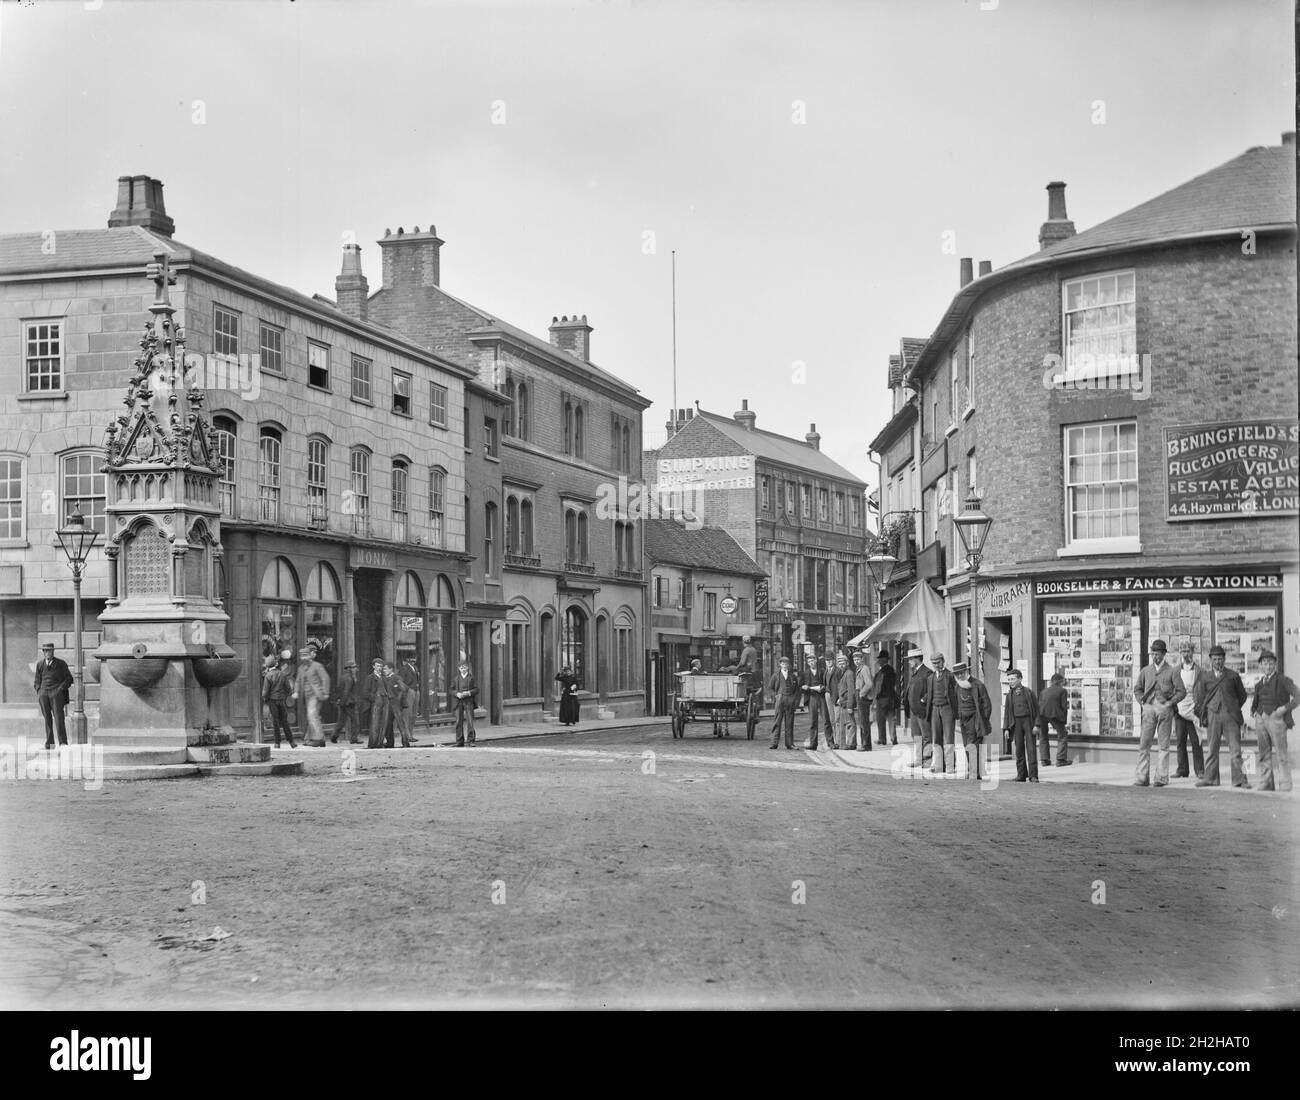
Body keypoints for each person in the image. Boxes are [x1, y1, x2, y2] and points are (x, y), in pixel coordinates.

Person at [1132, 639, 1186, 788]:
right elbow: (1137, 689)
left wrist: (1170, 703)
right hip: (1148, 709)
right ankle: (1142, 778)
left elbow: (1182, 691)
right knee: (1144, 744)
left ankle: (1161, 778)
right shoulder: (1145, 671)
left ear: (1164, 654)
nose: (1155, 656)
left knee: (1163, 745)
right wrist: (1141, 702)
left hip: (1164, 710)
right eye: (1153, 653)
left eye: (1158, 654)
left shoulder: (1172, 671)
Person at [1195, 645, 1248, 788]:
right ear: (1210, 660)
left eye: (1220, 659)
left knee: (1236, 749)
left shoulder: (1233, 676)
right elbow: (1200, 698)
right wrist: (1207, 713)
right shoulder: (1205, 676)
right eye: (1215, 659)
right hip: (1213, 716)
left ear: (1224, 659)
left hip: (1231, 716)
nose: (1218, 662)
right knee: (1212, 749)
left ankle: (1240, 780)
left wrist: (1232, 708)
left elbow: (1242, 696)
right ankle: (1210, 779)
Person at [1248, 649, 1297, 793]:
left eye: (1270, 663)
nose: (1268, 666)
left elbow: (1298, 696)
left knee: (1281, 754)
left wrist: (1284, 708)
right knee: (1264, 753)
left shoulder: (1283, 680)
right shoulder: (1259, 684)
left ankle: (1285, 784)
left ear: (1275, 664)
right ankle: (1266, 782)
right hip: (1261, 720)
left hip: (1277, 720)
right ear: (1260, 666)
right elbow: (1255, 703)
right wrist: (1255, 713)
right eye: (1265, 664)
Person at [952, 660, 992, 780]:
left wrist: (981, 720)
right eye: (957, 674)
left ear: (966, 671)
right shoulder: (957, 686)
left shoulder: (978, 685)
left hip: (975, 720)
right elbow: (956, 702)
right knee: (967, 746)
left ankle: (975, 772)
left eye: (961, 673)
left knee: (974, 745)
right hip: (963, 721)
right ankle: (973, 770)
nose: (959, 676)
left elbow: (987, 705)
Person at [1172, 643, 1205, 779]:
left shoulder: (1199, 671)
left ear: (1193, 652)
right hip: (1180, 710)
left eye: (1188, 651)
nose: (1186, 654)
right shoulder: (1175, 671)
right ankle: (1182, 770)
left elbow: (1203, 690)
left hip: (1194, 711)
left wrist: (1199, 707)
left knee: (1196, 741)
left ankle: (1200, 770)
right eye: (1183, 651)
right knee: (1180, 742)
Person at [33, 642, 74, 749]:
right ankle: (50, 744)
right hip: (44, 694)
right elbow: (37, 681)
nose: (47, 653)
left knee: (59, 718)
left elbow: (69, 679)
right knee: (47, 718)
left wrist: (60, 689)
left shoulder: (61, 663)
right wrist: (39, 691)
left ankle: (63, 742)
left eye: (49, 650)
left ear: (53, 651)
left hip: (56, 694)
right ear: (43, 652)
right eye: (45, 651)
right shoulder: (40, 664)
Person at [1002, 668, 1039, 782]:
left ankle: (1033, 775)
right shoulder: (1009, 695)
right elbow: (1007, 712)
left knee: (1031, 749)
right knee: (1019, 749)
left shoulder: (1029, 692)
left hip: (1028, 722)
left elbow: (1037, 710)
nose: (1011, 681)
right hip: (1016, 723)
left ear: (1020, 679)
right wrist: (1007, 728)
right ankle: (1021, 774)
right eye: (1009, 679)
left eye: (1013, 679)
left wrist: (1037, 725)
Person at [292, 646, 331, 747]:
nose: (304, 658)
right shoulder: (300, 668)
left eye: (306, 655)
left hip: (316, 695)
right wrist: (295, 691)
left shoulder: (317, 666)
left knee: (312, 715)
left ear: (310, 656)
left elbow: (325, 678)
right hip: (305, 696)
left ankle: (319, 739)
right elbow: (297, 681)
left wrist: (325, 692)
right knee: (312, 716)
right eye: (302, 656)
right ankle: (309, 738)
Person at [927, 653, 958, 773]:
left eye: (938, 662)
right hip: (935, 708)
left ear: (943, 661)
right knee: (936, 738)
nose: (936, 665)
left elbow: (956, 692)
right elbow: (930, 694)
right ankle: (939, 766)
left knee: (949, 737)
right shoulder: (930, 678)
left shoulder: (950, 675)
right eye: (934, 663)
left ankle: (950, 766)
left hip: (947, 709)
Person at [262, 655, 298, 749]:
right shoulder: (282, 674)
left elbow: (265, 692)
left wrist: (265, 699)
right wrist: (285, 696)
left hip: (272, 701)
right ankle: (292, 741)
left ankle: (277, 743)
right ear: (276, 664)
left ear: (267, 666)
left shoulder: (268, 676)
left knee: (275, 722)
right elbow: (289, 689)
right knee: (285, 721)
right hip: (281, 701)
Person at [905, 649, 933, 769]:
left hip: (922, 710)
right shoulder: (914, 672)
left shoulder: (927, 672)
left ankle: (927, 760)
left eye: (911, 659)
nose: (909, 662)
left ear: (917, 659)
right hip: (913, 709)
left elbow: (931, 690)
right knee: (916, 735)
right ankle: (918, 759)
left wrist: (923, 700)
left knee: (926, 736)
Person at [768, 655, 803, 750]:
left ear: (789, 665)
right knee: (777, 721)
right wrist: (775, 697)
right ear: (780, 665)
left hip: (790, 699)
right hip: (780, 699)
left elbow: (797, 690)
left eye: (786, 664)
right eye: (783, 663)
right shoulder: (775, 675)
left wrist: (795, 701)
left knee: (789, 722)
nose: (784, 665)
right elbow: (770, 688)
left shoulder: (793, 676)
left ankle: (790, 743)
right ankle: (774, 743)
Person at [1037, 672, 1071, 767]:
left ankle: (1044, 759)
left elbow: (1039, 705)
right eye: (1063, 681)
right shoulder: (1062, 691)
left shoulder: (1044, 691)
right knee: (1062, 735)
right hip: (1055, 714)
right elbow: (1064, 707)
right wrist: (1064, 721)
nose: (1064, 683)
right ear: (1060, 681)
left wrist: (1037, 722)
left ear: (1052, 681)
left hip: (1042, 714)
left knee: (1043, 736)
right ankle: (1060, 759)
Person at [801, 652, 834, 750]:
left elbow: (827, 684)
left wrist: (822, 688)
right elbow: (800, 685)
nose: (811, 663)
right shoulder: (805, 673)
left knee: (826, 720)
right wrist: (803, 687)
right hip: (811, 698)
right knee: (813, 721)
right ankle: (813, 743)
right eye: (809, 661)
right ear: (807, 663)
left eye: (813, 660)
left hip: (821, 697)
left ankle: (830, 742)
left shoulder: (822, 671)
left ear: (816, 661)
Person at [362, 658, 395, 749]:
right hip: (376, 704)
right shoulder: (370, 678)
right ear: (373, 666)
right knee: (375, 724)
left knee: (384, 723)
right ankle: (373, 744)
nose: (379, 668)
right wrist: (374, 699)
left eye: (381, 666)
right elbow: (365, 692)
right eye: (377, 666)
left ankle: (379, 743)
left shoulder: (383, 677)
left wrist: (389, 698)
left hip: (385, 702)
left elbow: (388, 690)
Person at [828, 651, 858, 750]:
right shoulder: (842, 673)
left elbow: (851, 690)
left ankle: (851, 744)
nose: (841, 665)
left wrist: (850, 706)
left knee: (850, 724)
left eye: (843, 663)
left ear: (847, 663)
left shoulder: (849, 673)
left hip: (846, 703)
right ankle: (842, 744)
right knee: (841, 723)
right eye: (840, 663)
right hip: (842, 702)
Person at [872, 650, 898, 747]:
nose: (878, 661)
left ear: (884, 660)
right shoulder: (892, 670)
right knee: (891, 719)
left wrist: (876, 698)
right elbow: (894, 683)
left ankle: (882, 739)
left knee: (881, 720)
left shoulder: (881, 672)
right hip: (891, 698)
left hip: (882, 699)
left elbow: (878, 686)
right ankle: (893, 738)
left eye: (880, 659)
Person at [450, 659, 478, 746]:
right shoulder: (456, 679)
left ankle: (471, 741)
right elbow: (451, 689)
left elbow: (477, 689)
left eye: (465, 667)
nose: (463, 669)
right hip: (458, 702)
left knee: (470, 721)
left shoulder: (471, 678)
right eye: (461, 667)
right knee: (458, 721)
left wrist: (469, 693)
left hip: (468, 702)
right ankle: (459, 741)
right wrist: (456, 694)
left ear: (468, 668)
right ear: (459, 669)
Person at [852, 650, 873, 750]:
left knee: (864, 722)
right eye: (855, 660)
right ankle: (864, 744)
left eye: (858, 659)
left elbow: (869, 684)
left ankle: (866, 745)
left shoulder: (864, 669)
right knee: (862, 721)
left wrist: (861, 694)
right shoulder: (859, 668)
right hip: (860, 696)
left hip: (863, 697)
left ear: (862, 659)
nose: (856, 661)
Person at [334, 660, 359, 744]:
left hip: (344, 702)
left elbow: (339, 689)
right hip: (349, 703)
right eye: (354, 667)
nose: (356, 669)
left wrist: (340, 701)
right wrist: (343, 702)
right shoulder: (349, 678)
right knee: (355, 721)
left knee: (341, 721)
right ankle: (354, 738)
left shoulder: (343, 677)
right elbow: (346, 691)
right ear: (350, 669)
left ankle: (334, 737)